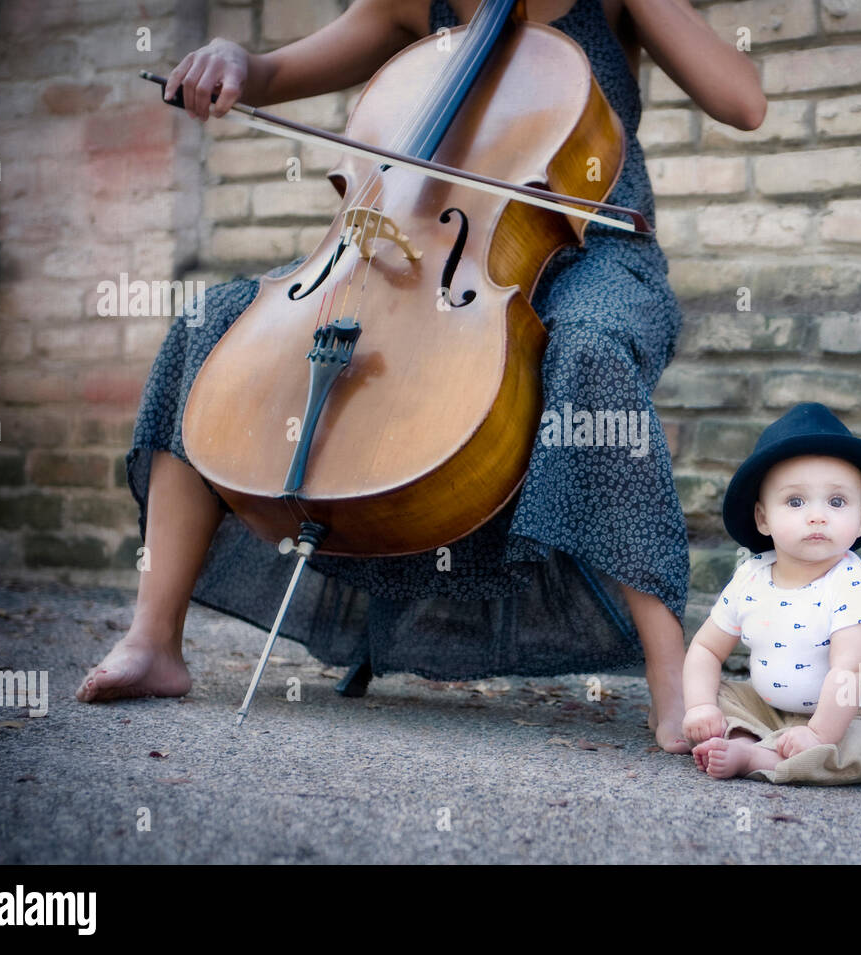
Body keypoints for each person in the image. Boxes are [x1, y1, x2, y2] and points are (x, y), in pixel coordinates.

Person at [75, 0, 767, 755]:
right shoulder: (408, 3)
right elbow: (273, 74)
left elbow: (744, 103)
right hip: (420, 257)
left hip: (594, 255)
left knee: (589, 348)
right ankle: (154, 640)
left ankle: (676, 683)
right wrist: (239, 64)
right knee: (212, 321)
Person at [682, 403, 861, 784]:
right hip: (774, 707)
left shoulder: (854, 586)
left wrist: (818, 734)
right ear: (763, 518)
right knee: (718, 695)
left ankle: (759, 755)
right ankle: (748, 736)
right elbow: (707, 649)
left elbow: (849, 672)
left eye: (836, 502)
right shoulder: (751, 577)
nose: (817, 516)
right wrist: (698, 707)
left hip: (860, 711)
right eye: (795, 501)